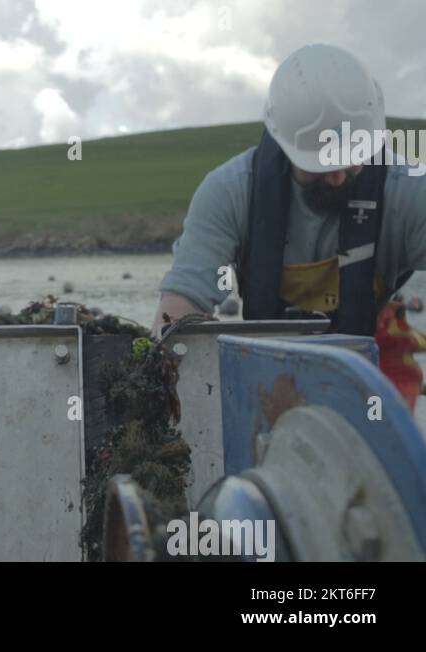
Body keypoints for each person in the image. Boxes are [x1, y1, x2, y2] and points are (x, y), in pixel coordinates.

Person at [151, 43, 426, 401]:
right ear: (284, 143)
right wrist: (163, 382)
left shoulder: (411, 193)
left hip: (378, 354)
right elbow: (182, 305)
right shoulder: (228, 192)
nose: (339, 177)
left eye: (354, 158)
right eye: (322, 165)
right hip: (268, 366)